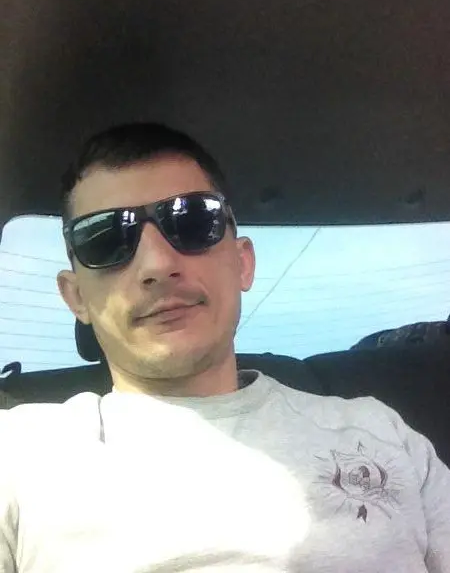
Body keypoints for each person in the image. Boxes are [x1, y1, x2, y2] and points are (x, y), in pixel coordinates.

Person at [1, 123, 449, 572]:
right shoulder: (20, 452)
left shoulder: (380, 430)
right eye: (104, 239)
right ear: (76, 296)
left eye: (193, 221)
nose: (157, 264)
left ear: (242, 263)